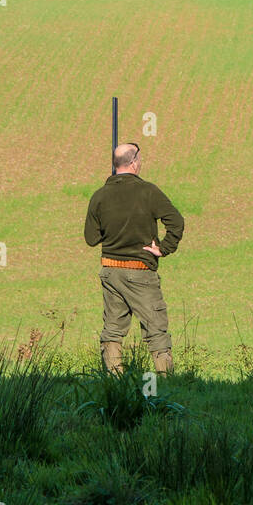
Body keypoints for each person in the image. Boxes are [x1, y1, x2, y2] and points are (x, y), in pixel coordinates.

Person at [84, 142, 184, 375]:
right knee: (156, 329)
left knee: (112, 331)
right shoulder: (148, 191)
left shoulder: (99, 196)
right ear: (134, 162)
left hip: (110, 271)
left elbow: (91, 238)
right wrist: (163, 248)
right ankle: (165, 385)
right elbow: (176, 222)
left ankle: (115, 384)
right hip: (140, 271)